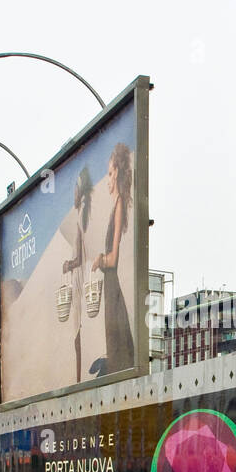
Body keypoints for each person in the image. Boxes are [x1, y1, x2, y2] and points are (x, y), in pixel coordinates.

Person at [92, 144, 136, 374]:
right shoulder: (116, 206)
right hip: (110, 287)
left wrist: (100, 260)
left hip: (112, 285)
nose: (108, 180)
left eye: (109, 173)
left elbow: (113, 259)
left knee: (118, 347)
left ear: (117, 172)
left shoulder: (119, 206)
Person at [62, 167, 94, 382]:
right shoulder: (83, 211)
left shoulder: (83, 211)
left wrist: (70, 263)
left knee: (77, 330)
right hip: (79, 277)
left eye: (74, 186)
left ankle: (78, 379)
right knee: (77, 331)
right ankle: (78, 377)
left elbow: (83, 253)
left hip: (80, 278)